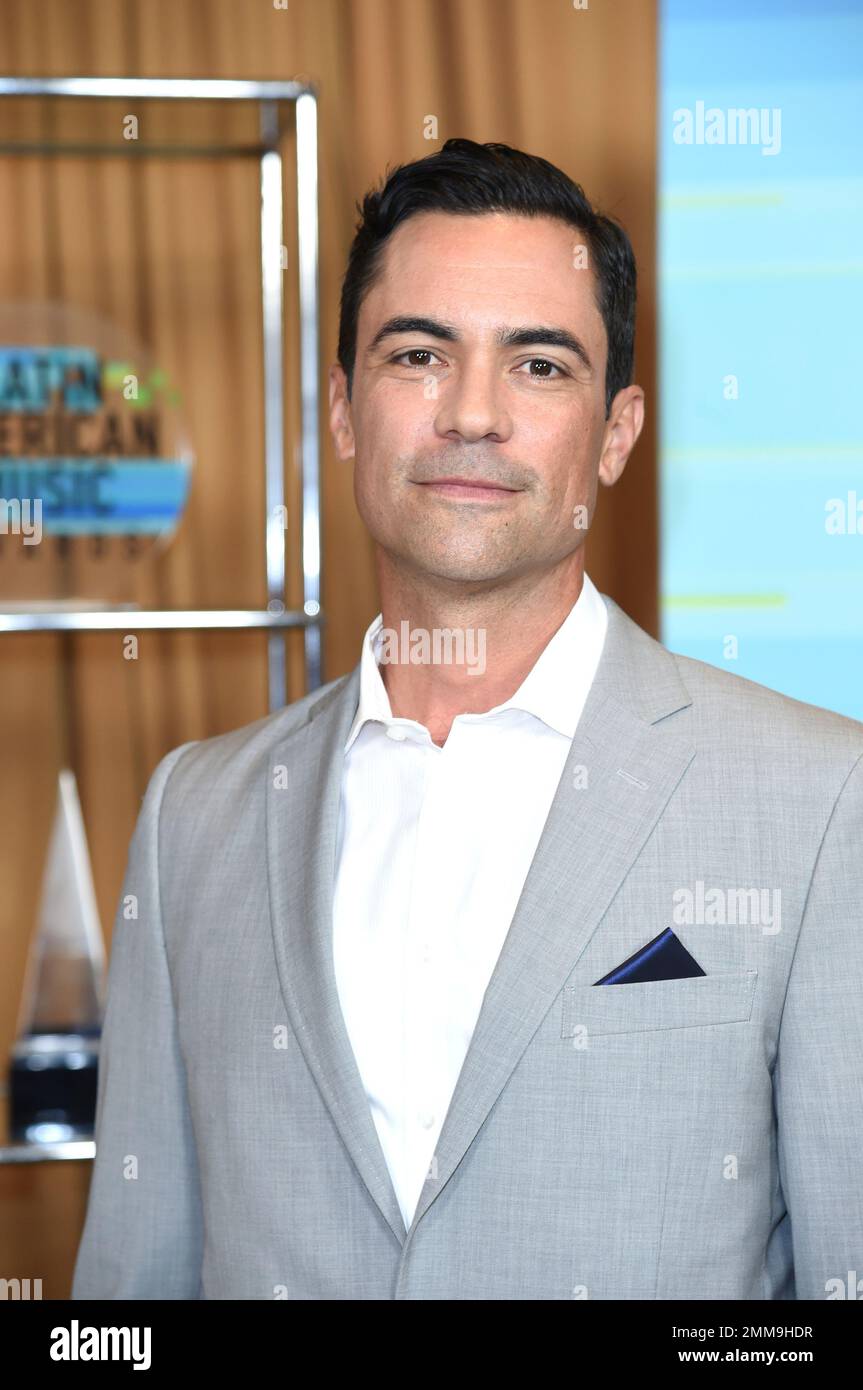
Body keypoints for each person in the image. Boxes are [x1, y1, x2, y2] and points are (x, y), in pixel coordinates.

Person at [73, 139, 863, 1300]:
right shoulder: (194, 813)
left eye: (538, 365)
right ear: (341, 409)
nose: (472, 413)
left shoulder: (816, 802)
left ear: (615, 431)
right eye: (417, 354)